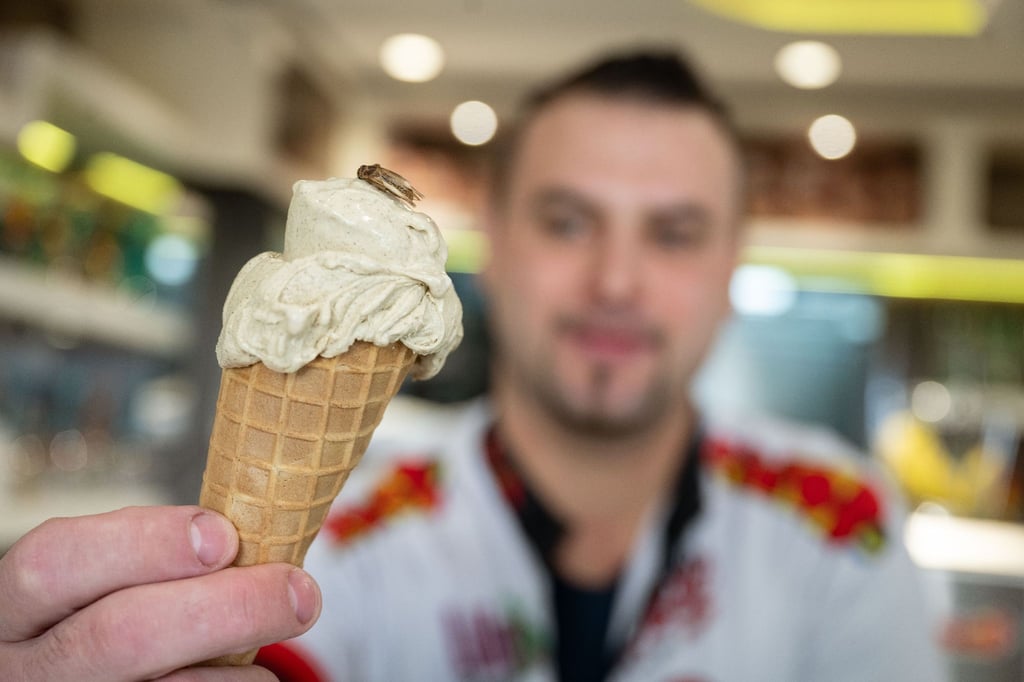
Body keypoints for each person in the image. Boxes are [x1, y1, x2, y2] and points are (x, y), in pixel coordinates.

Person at [0, 49, 946, 681]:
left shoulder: (841, 525)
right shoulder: (351, 537)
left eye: (674, 233)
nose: (616, 281)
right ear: (493, 241)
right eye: (567, 221)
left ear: (732, 262)